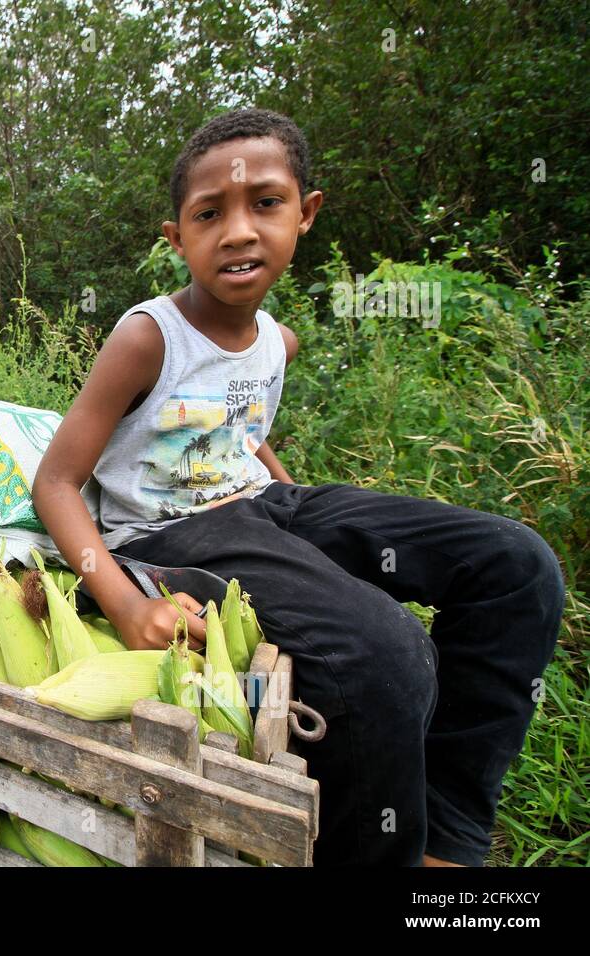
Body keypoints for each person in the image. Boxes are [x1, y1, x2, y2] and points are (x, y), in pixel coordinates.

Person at [31, 109, 564, 867]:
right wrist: (125, 600)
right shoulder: (147, 337)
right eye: (210, 215)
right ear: (176, 238)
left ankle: (447, 838)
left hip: (264, 504)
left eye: (266, 203)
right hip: (169, 533)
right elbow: (55, 481)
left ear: (306, 213)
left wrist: (292, 497)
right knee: (388, 654)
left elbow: (241, 424)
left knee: (518, 565)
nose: (239, 231)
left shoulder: (278, 339)